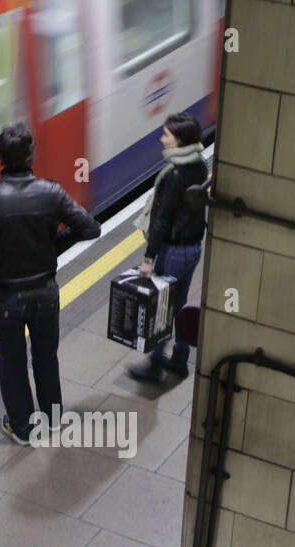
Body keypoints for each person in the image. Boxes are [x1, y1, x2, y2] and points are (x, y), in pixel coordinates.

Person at [0, 122, 101, 445]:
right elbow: (91, 228)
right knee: (46, 356)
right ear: (32, 154)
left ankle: (22, 429)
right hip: (45, 293)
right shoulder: (51, 191)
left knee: (12, 363)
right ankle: (53, 419)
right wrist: (56, 244)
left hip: (6, 297)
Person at [128, 112, 209, 384]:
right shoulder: (199, 162)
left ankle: (154, 366)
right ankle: (180, 359)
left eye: (167, 135)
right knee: (179, 305)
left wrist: (149, 258)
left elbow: (161, 219)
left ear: (180, 141)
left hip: (173, 251)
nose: (162, 138)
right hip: (193, 248)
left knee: (161, 308)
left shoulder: (174, 174)